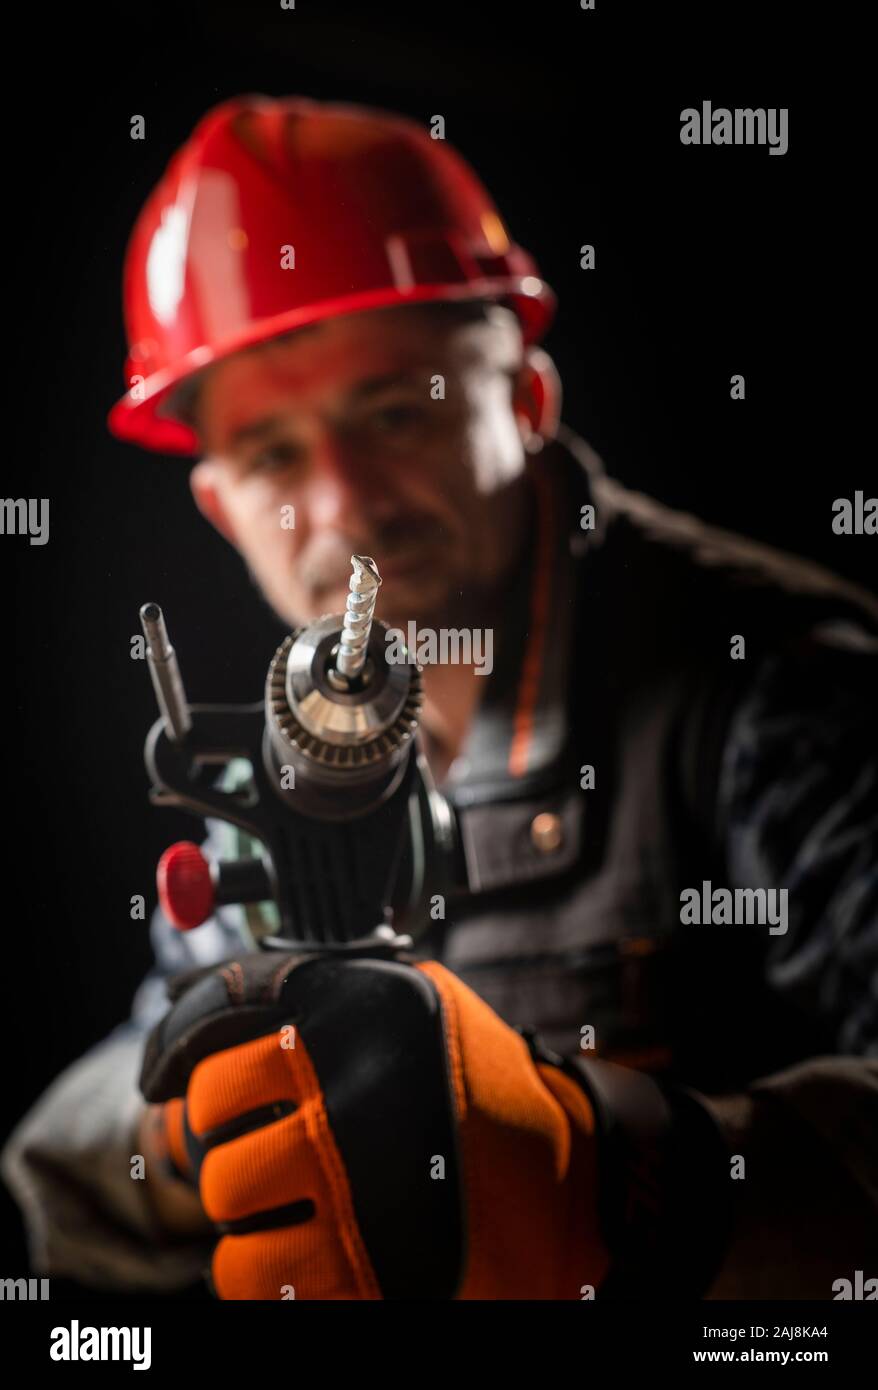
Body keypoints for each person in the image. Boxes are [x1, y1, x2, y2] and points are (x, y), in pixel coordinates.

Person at [3, 96, 876, 1300]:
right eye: (271, 454)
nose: (344, 503)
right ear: (220, 506)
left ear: (524, 398)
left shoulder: (769, 682)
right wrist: (190, 1128)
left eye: (393, 408)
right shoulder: (273, 759)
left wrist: (615, 1176)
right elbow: (133, 1076)